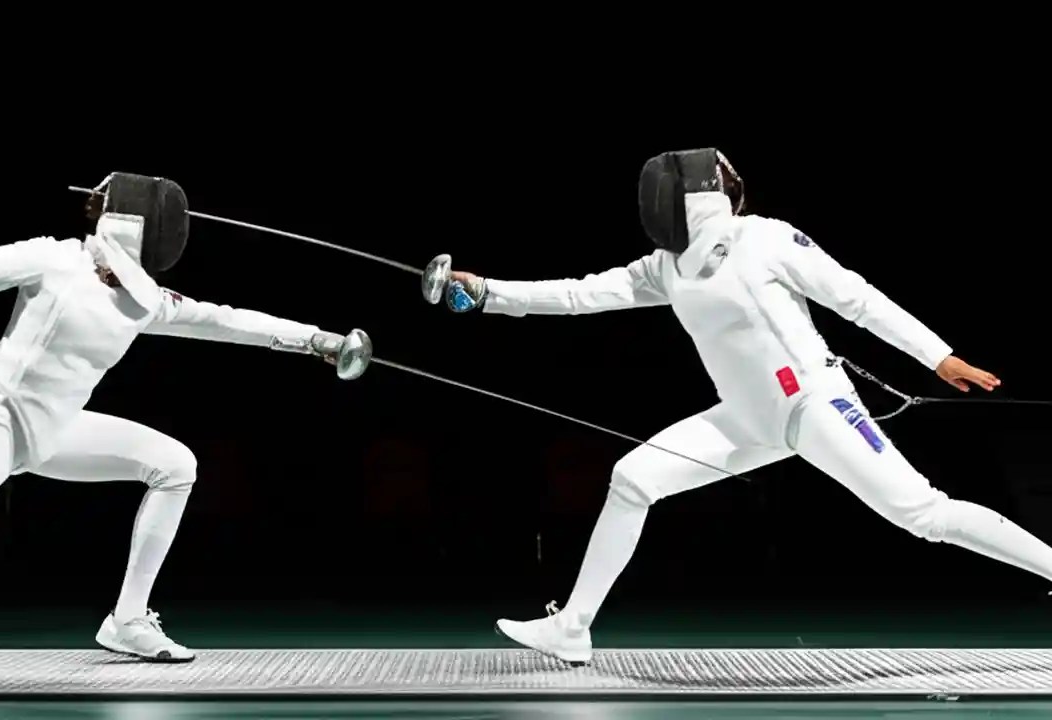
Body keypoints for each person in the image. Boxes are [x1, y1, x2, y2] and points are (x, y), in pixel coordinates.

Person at [438, 148, 1052, 665]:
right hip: (746, 420)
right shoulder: (666, 268)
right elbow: (579, 295)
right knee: (633, 479)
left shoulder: (764, 237)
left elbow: (855, 297)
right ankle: (573, 628)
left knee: (925, 515)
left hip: (815, 404)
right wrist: (489, 293)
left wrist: (936, 356)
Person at [0, 172, 370, 664]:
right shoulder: (52, 259)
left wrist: (317, 341)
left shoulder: (145, 304)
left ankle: (127, 620)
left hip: (57, 428)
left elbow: (230, 321)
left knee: (175, 465)